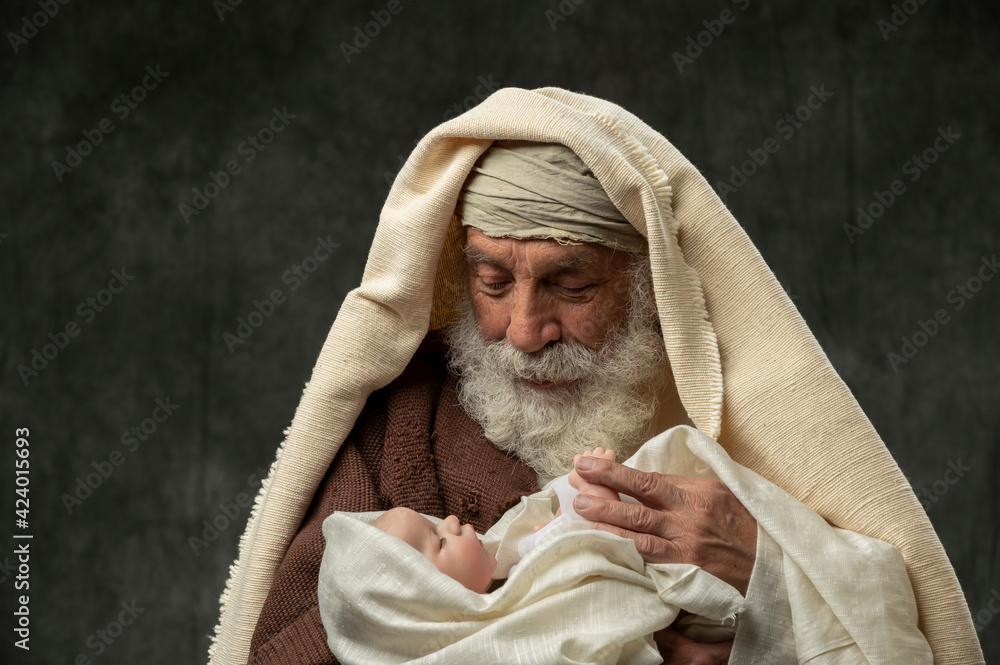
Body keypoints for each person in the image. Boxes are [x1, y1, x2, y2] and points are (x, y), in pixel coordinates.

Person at [208, 88, 984, 665]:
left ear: (649, 286)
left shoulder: (737, 426)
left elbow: (891, 628)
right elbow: (288, 648)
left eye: (571, 284)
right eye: (491, 281)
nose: (524, 330)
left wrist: (765, 575)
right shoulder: (401, 426)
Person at [316, 432, 932, 664]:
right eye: (494, 282)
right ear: (433, 606)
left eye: (573, 285)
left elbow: (568, 527)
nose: (451, 520)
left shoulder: (515, 557)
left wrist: (582, 490)